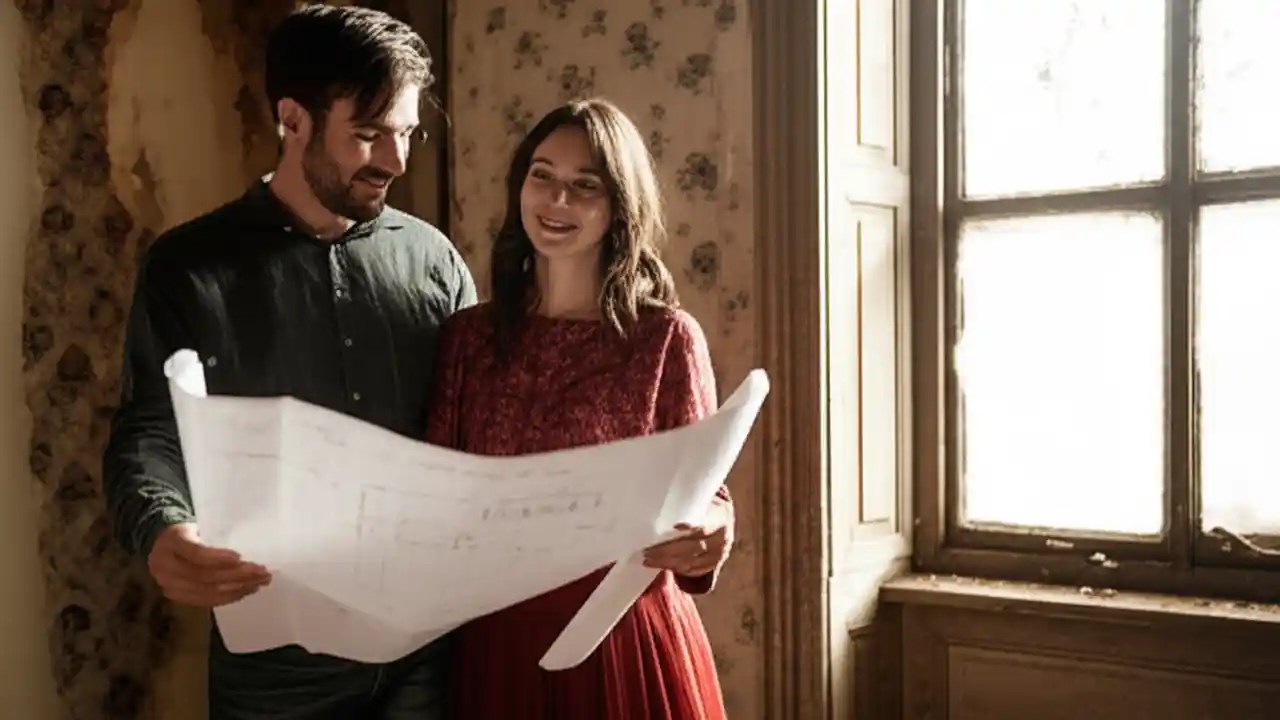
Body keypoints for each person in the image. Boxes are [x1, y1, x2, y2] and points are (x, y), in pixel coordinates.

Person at [102, 5, 475, 718]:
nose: (395, 162)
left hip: (426, 648)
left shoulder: (435, 262)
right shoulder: (187, 268)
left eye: (405, 133)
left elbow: (485, 424)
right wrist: (163, 526)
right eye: (367, 136)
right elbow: (151, 430)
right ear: (292, 119)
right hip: (277, 667)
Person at [425, 97, 734, 719]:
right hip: (498, 644)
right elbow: (433, 495)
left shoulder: (665, 339)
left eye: (584, 186)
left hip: (623, 643)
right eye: (542, 175)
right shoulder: (469, 340)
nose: (556, 201)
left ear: (619, 208)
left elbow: (706, 491)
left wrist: (715, 528)